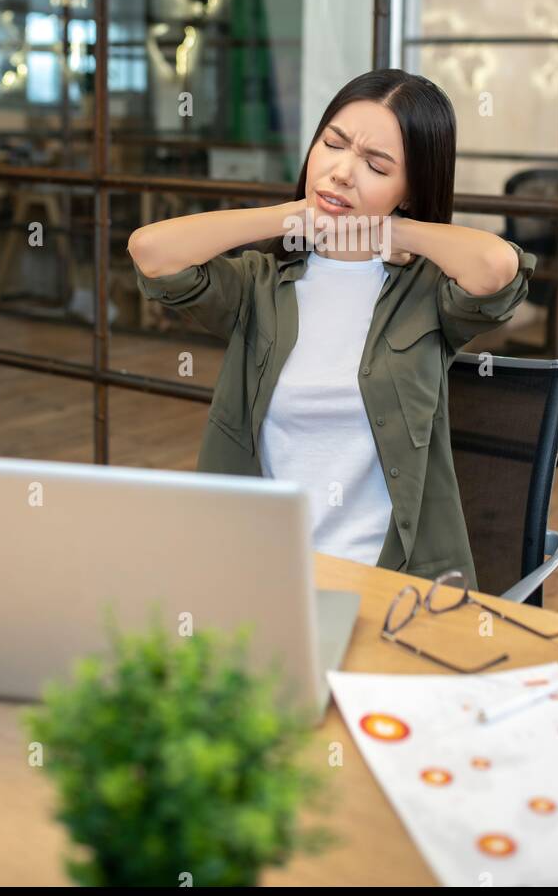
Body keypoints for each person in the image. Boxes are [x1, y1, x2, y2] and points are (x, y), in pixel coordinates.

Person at [128, 69, 536, 586]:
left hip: (392, 580)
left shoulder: (427, 294)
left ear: (410, 189)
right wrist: (293, 215)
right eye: (333, 144)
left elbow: (496, 267)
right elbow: (151, 252)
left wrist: (391, 228)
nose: (342, 171)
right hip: (261, 570)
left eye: (376, 165)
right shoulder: (259, 287)